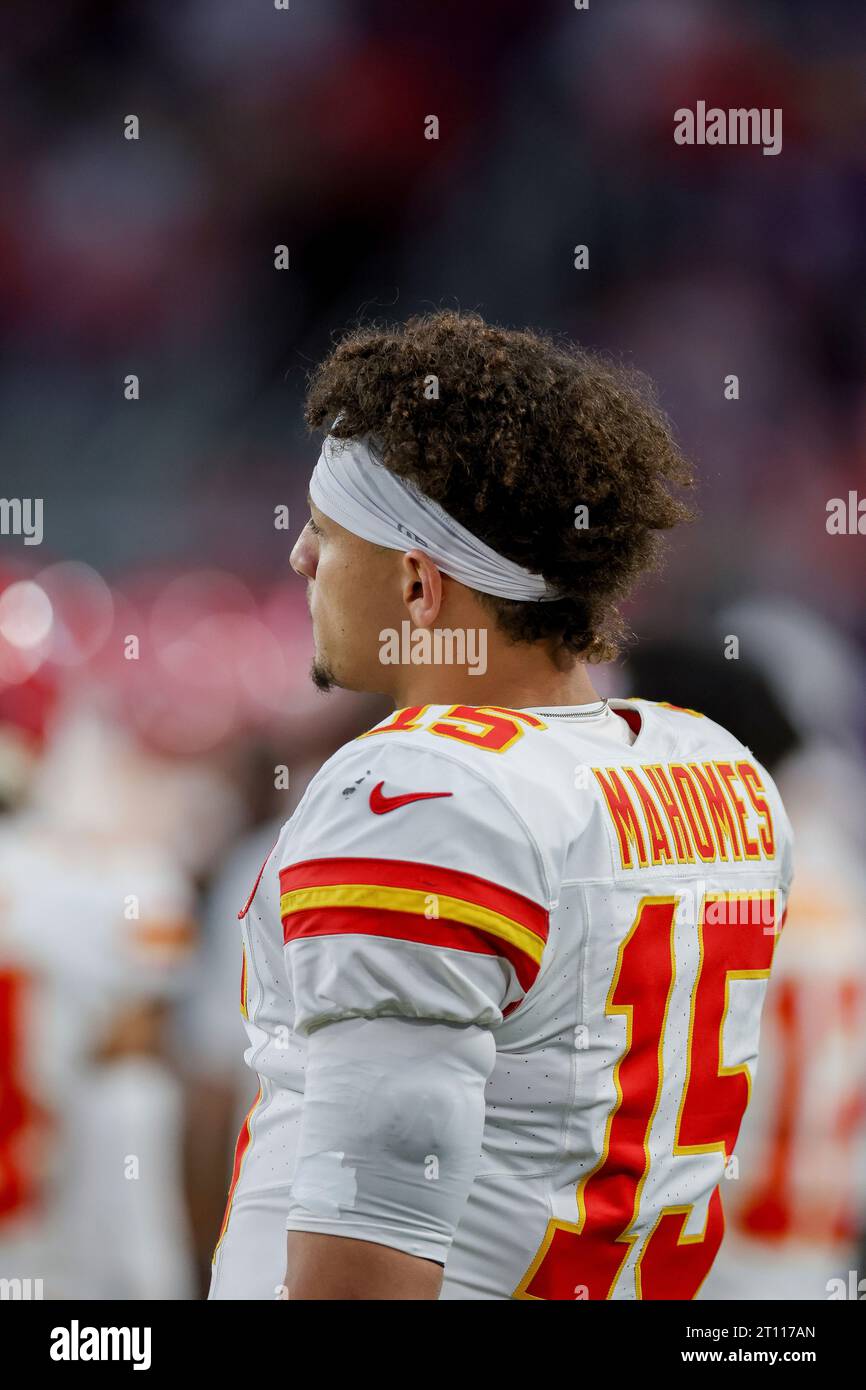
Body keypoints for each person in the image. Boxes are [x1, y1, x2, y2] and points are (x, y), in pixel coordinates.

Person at [208, 310, 793, 1300]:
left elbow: (371, 1241)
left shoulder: (417, 793)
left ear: (416, 582)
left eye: (325, 528)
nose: (302, 558)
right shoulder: (710, 760)